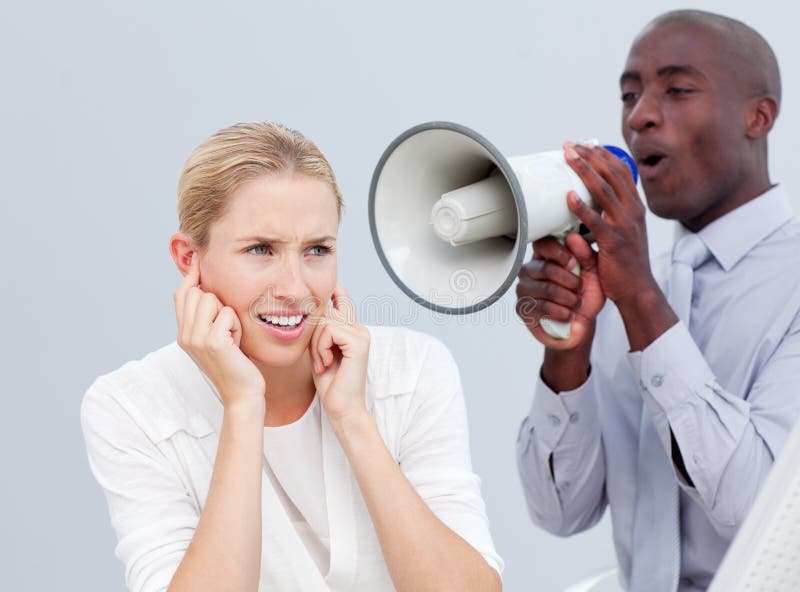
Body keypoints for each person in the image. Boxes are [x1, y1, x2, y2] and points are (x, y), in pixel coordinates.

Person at [81, 122, 503, 592]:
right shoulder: (129, 407)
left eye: (317, 250)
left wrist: (353, 418)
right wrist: (242, 405)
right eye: (260, 249)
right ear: (188, 259)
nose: (295, 289)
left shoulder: (414, 367)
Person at [515, 9, 800, 592]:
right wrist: (567, 348)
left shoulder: (643, 288)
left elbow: (765, 520)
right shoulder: (626, 281)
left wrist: (643, 300)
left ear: (758, 115)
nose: (639, 115)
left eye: (677, 88)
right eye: (629, 94)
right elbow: (558, 512)